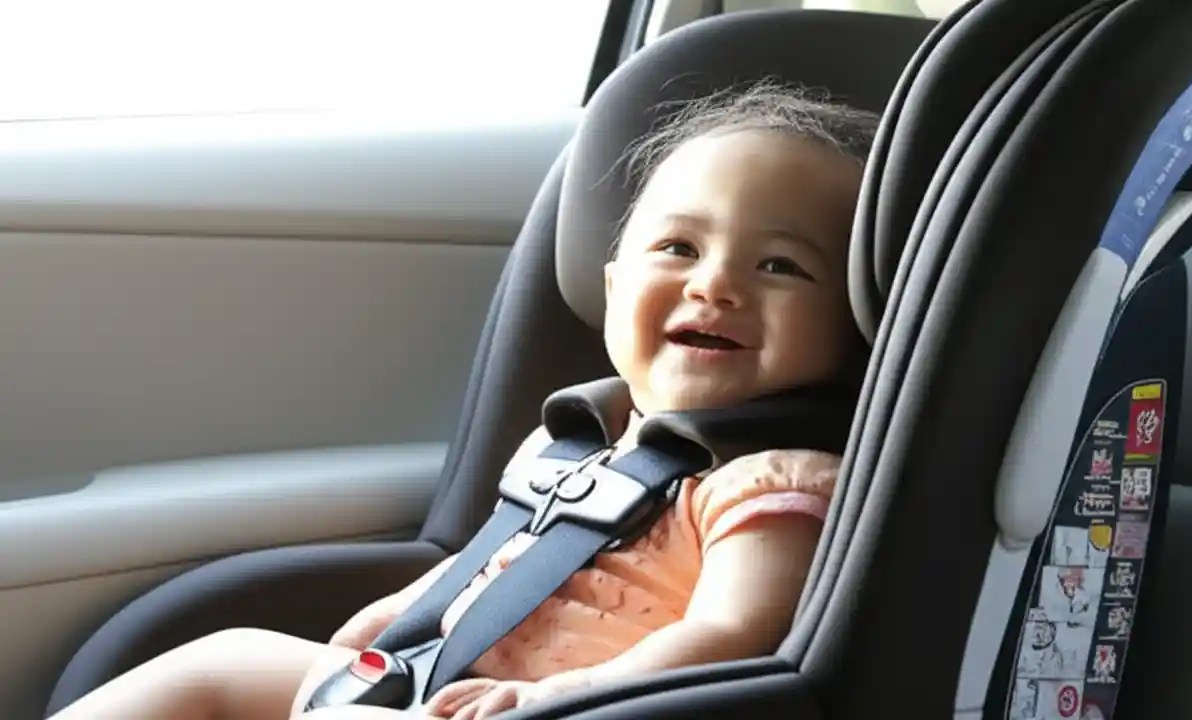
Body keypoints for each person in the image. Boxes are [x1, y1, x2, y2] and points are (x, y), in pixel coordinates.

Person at [51, 81, 880, 720]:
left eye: (780, 266)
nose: (714, 284)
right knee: (223, 661)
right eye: (677, 247)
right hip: (434, 684)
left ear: (853, 324)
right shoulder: (582, 447)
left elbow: (734, 635)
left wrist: (565, 695)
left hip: (571, 708)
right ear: (612, 286)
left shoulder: (775, 483)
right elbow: (496, 563)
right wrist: (396, 617)